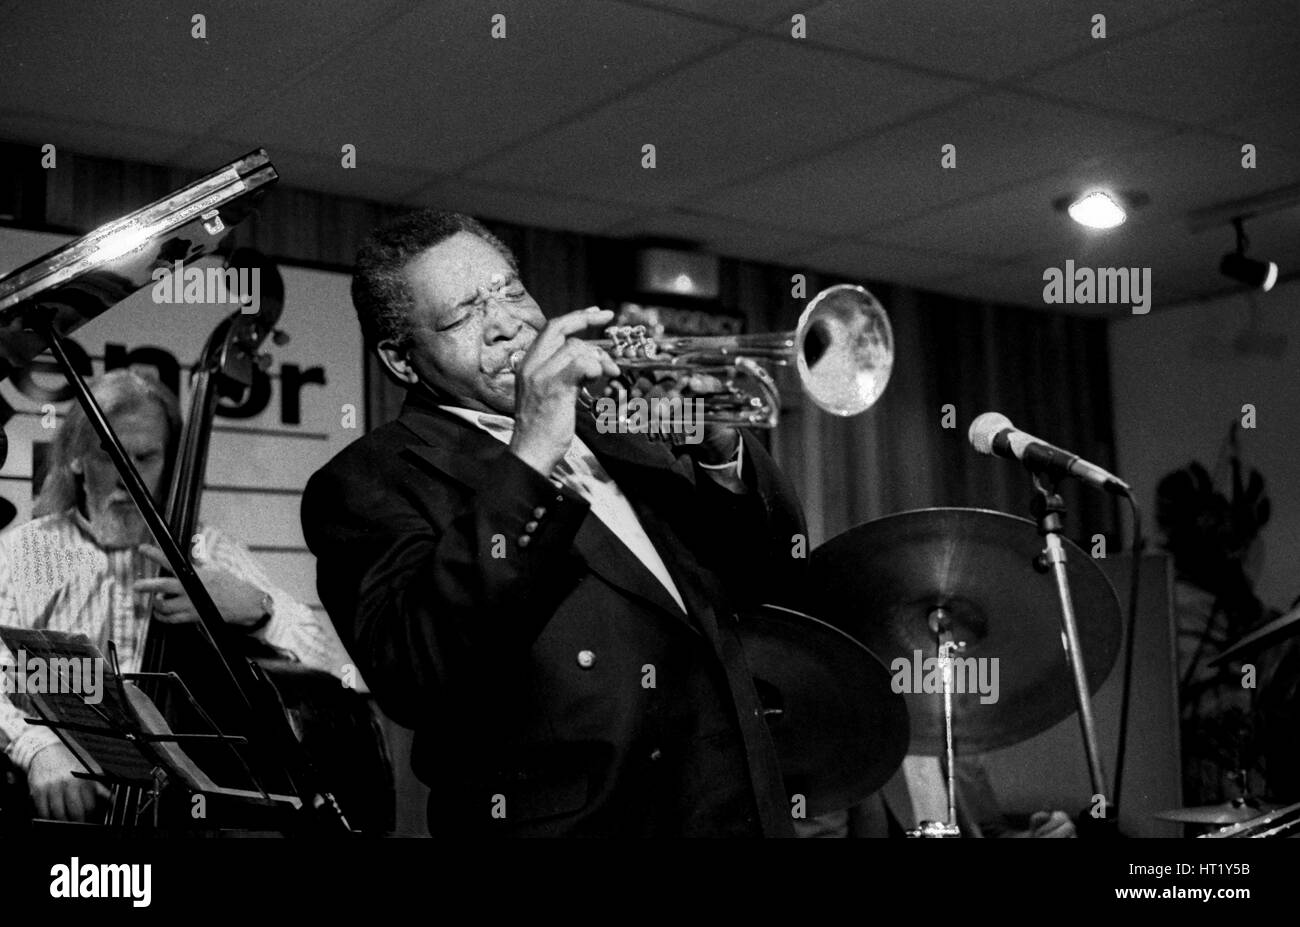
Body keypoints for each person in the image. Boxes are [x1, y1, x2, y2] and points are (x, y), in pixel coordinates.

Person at [301, 210, 808, 837]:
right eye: (464, 317)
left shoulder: (625, 429)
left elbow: (774, 577)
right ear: (402, 362)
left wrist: (718, 446)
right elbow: (416, 675)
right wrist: (533, 452)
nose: (510, 324)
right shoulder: (366, 483)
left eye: (511, 291)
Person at [0, 369, 348, 823]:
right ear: (76, 458)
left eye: (145, 457)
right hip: (58, 809)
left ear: (170, 464)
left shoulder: (204, 551)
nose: (129, 478)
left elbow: (322, 676)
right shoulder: (27, 551)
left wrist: (257, 610)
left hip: (188, 814)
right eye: (111, 456)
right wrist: (38, 747)